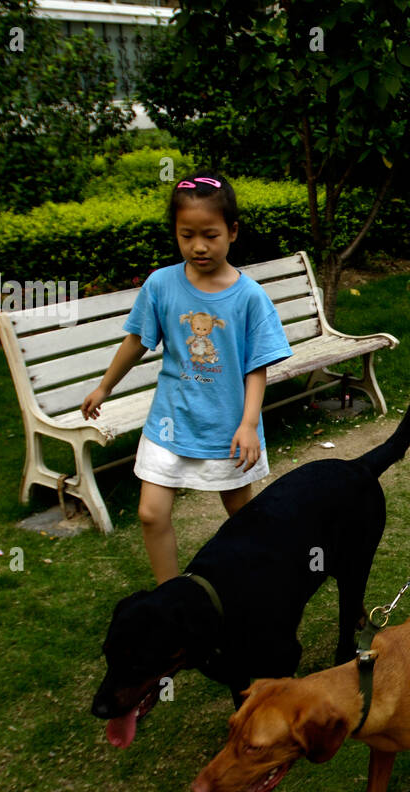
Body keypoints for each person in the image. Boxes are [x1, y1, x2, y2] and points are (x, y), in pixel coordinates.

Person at [81, 173, 293, 584]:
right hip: (170, 422)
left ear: (232, 232)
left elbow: (257, 366)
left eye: (210, 235)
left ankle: (266, 583)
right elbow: (136, 341)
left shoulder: (249, 297)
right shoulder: (161, 285)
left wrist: (249, 424)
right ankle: (171, 597)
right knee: (150, 513)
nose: (198, 246)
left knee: (243, 518)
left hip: (227, 429)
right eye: (187, 235)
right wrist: (105, 385)